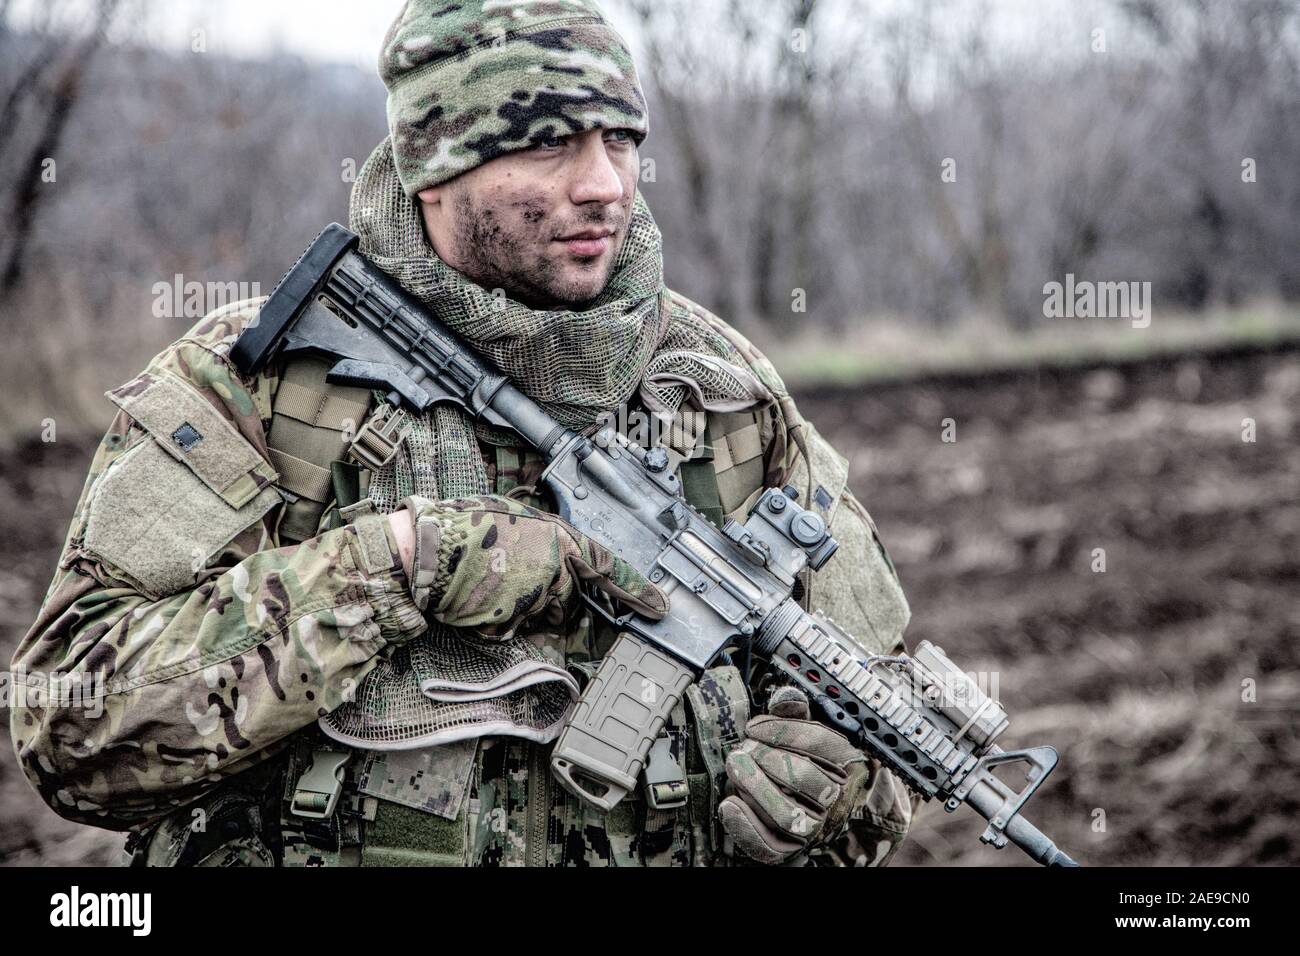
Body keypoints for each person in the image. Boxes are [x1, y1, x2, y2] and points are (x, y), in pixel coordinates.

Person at [9, 0, 917, 867]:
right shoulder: (260, 384)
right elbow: (69, 731)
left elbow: (882, 723)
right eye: (551, 143)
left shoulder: (725, 393)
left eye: (622, 140)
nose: (602, 185)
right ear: (433, 165)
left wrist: (838, 802)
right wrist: (401, 566)